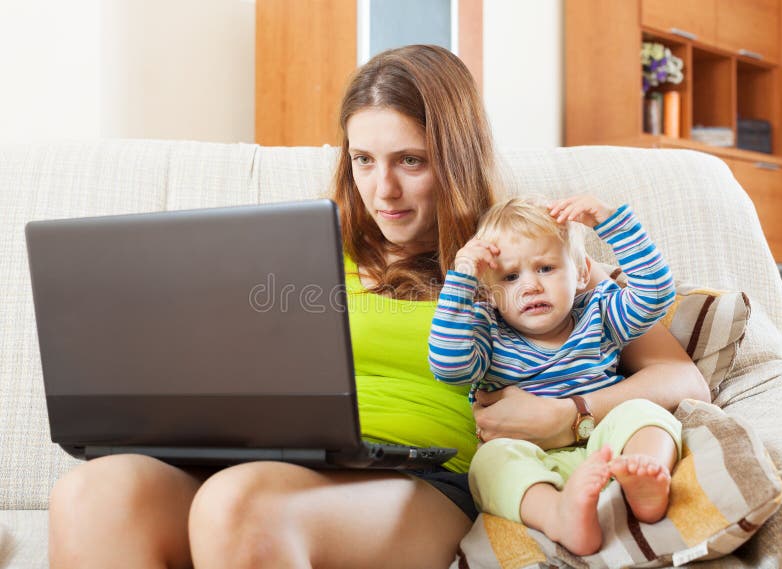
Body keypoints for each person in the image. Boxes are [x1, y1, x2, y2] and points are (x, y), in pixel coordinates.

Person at [48, 45, 709, 569]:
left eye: (410, 161)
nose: (382, 189)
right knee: (91, 493)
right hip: (270, 460)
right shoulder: (302, 253)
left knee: (238, 503)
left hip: (422, 479)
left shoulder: (524, 258)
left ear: (456, 159)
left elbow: (682, 378)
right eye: (363, 159)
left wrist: (569, 412)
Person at [429, 195, 681, 555]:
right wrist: (461, 281)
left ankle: (645, 477)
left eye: (545, 268)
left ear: (581, 273)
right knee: (490, 462)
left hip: (606, 441)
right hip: (529, 456)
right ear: (490, 293)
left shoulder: (599, 313)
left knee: (644, 412)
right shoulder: (487, 331)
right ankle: (557, 514)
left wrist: (614, 223)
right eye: (510, 277)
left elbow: (656, 295)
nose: (530, 286)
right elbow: (448, 367)